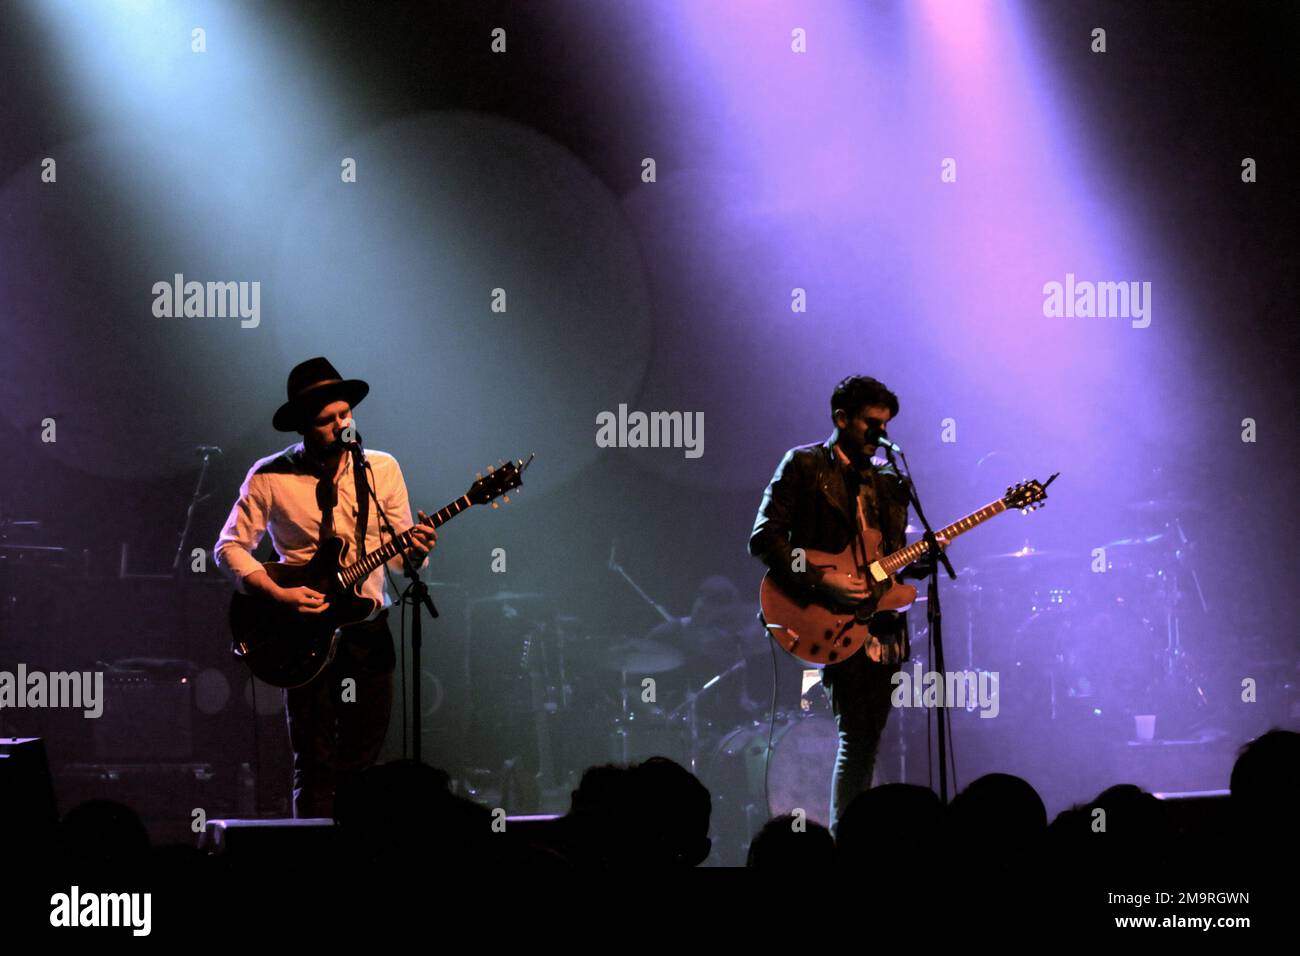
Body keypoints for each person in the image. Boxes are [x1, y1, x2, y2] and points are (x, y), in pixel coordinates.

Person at [215, 356, 438, 818]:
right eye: (325, 420)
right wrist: (277, 593)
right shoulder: (269, 475)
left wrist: (416, 549)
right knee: (314, 761)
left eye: (344, 414)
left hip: (367, 630)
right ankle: (312, 864)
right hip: (303, 629)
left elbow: (399, 558)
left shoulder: (382, 469)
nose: (340, 425)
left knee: (363, 759)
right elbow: (229, 547)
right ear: (302, 426)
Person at [749, 375, 944, 833]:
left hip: (880, 623)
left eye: (885, 425)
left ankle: (868, 838)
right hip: (826, 616)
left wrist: (922, 558)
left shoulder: (890, 482)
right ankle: (844, 845)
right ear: (841, 419)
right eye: (870, 424)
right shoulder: (804, 465)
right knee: (856, 740)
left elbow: (888, 561)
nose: (880, 435)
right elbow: (765, 538)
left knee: (871, 739)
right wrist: (824, 586)